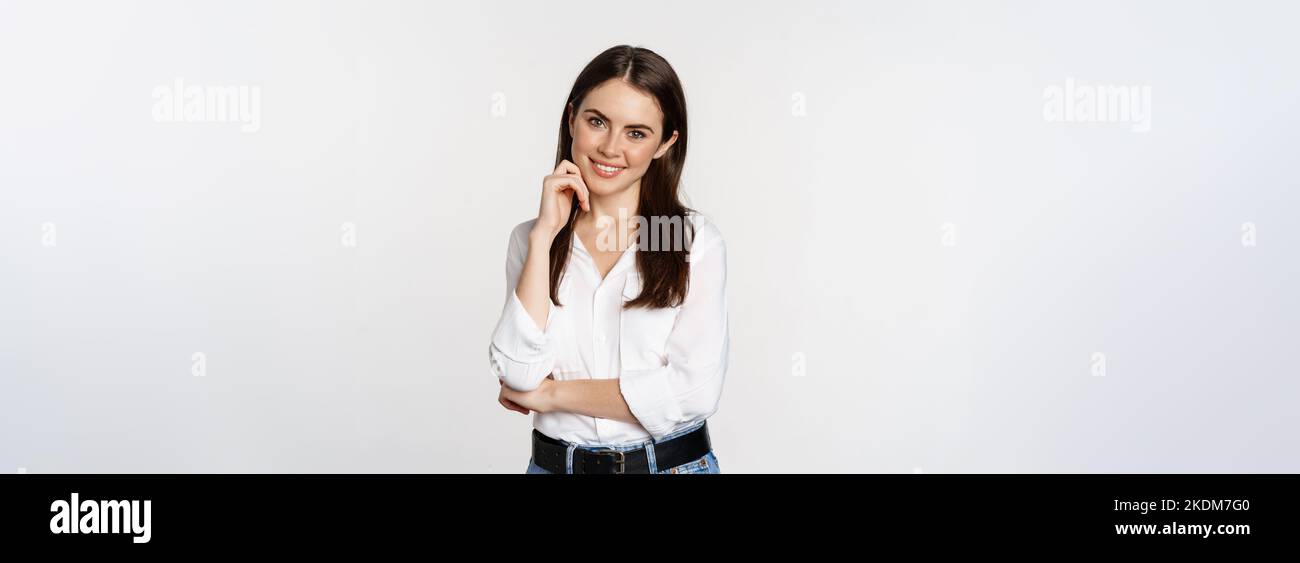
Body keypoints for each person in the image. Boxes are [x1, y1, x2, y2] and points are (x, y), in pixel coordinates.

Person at [488, 45, 729, 474]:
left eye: (637, 133)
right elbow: (519, 374)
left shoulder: (693, 242)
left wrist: (553, 396)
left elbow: (693, 391)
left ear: (665, 143)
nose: (610, 148)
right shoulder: (530, 240)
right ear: (571, 118)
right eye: (597, 122)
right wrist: (546, 234)